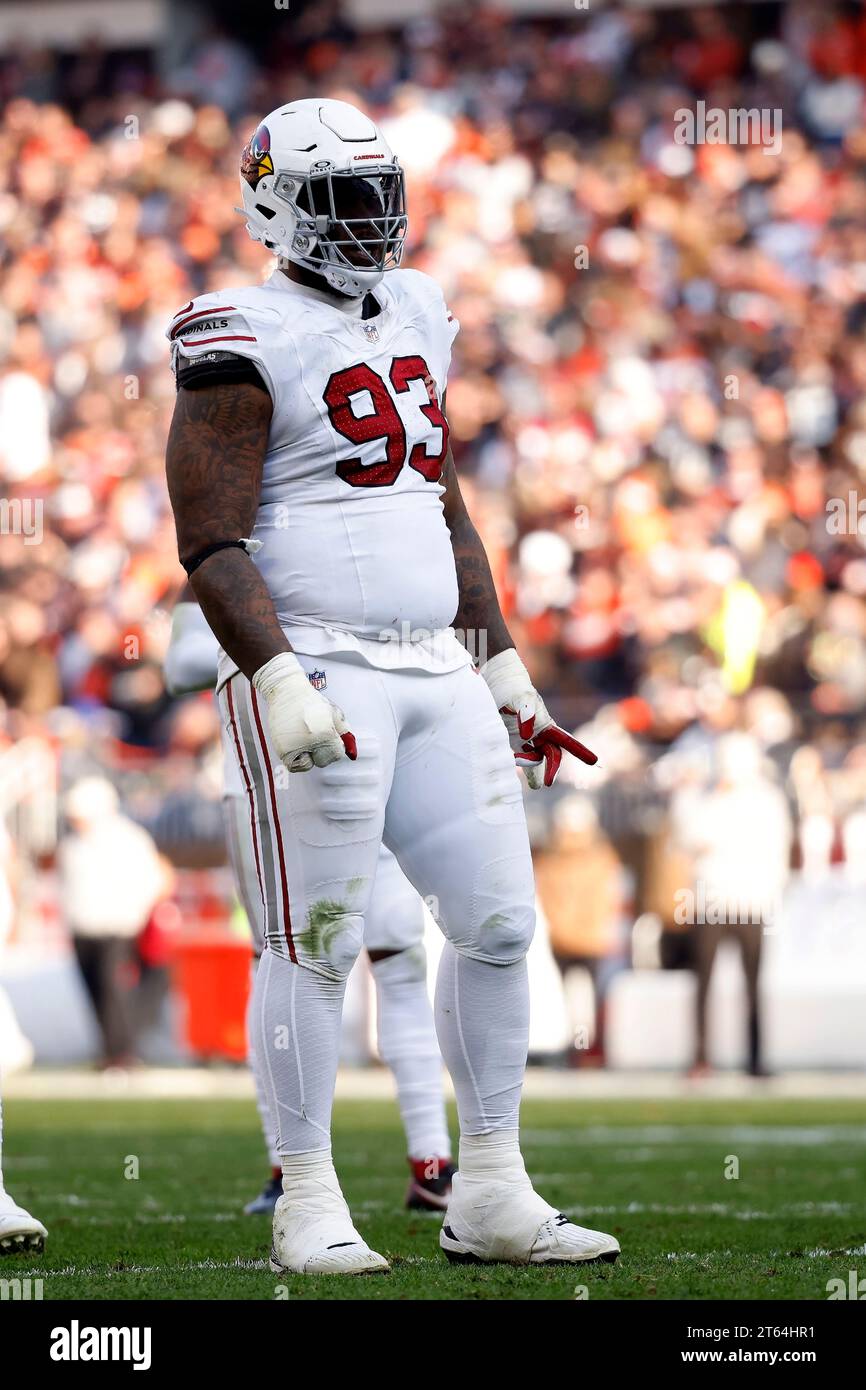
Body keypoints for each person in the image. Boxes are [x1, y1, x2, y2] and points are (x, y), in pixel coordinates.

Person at [164, 98, 619, 1275]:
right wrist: (272, 674)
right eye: (338, 198)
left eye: (378, 191)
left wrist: (501, 655)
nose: (369, 219)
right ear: (273, 205)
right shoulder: (238, 332)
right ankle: (309, 1192)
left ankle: (492, 1187)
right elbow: (209, 540)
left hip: (434, 663)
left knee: (500, 925)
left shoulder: (416, 309)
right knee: (309, 936)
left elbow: (438, 500)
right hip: (319, 660)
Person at [165, 592, 455, 1214]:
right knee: (276, 958)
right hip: (270, 784)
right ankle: (288, 1166)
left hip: (372, 771)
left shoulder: (366, 544)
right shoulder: (223, 553)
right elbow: (181, 664)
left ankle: (433, 1162)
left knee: (400, 957)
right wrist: (266, 643)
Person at [58, 778, 164, 1069]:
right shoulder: (72, 845)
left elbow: (152, 881)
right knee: (95, 991)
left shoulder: (129, 839)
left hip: (118, 929)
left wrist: (134, 917)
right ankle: (108, 1051)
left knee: (114, 992)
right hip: (83, 931)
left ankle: (123, 1053)